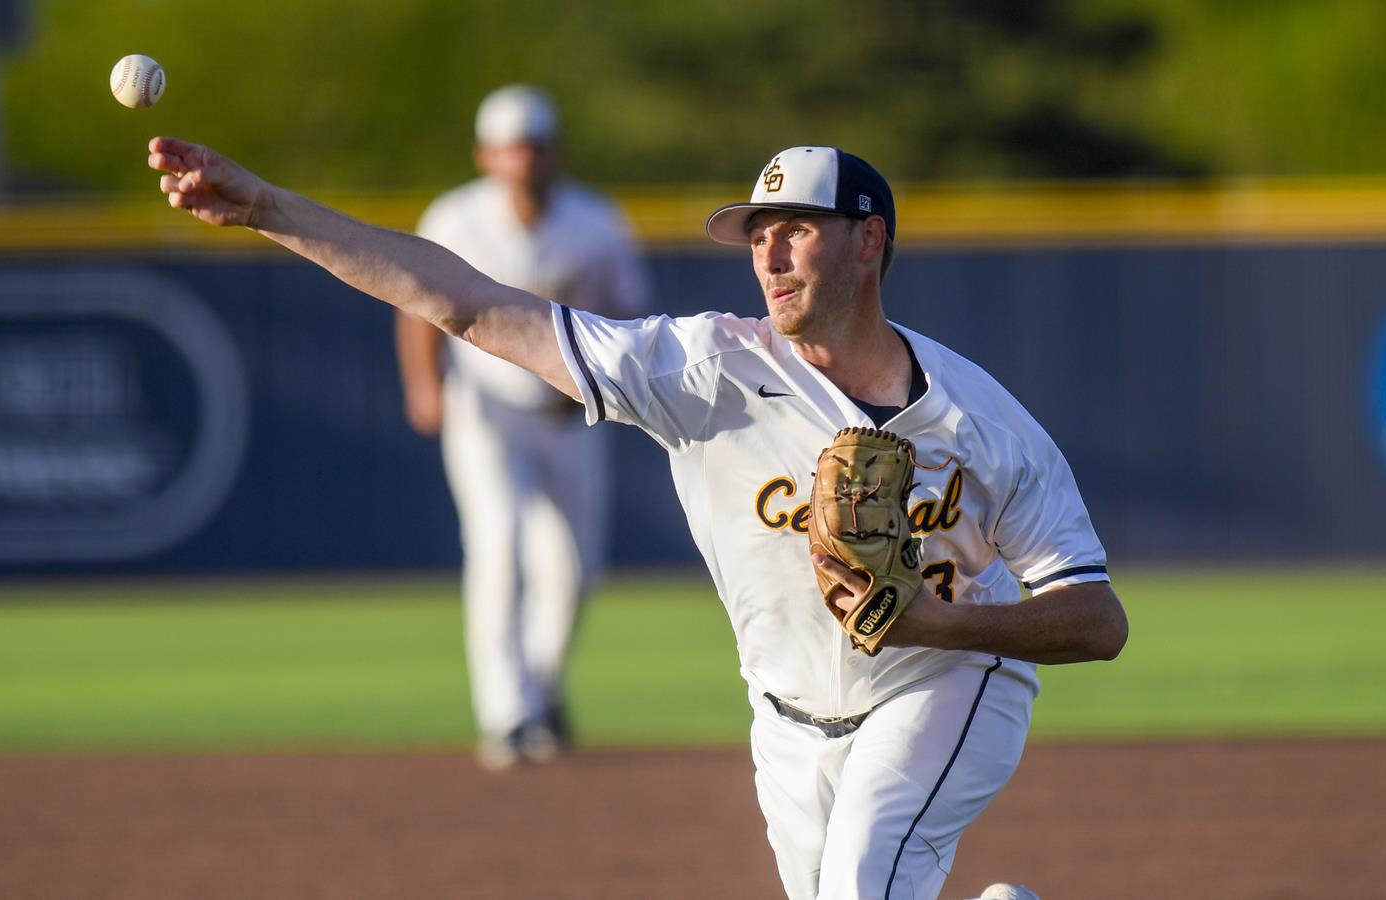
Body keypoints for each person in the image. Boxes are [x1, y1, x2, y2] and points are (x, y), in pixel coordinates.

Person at [149, 136, 1128, 900]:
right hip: (785, 716)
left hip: (946, 683)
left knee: (863, 876)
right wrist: (271, 210)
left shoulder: (982, 425)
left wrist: (936, 624)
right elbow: (468, 305)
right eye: (755, 232)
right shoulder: (701, 371)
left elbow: (1096, 622)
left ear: (868, 241)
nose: (769, 252)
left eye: (796, 227)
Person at [394, 85, 650, 769]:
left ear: (554, 151)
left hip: (572, 409)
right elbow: (415, 306)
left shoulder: (596, 222)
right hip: (485, 407)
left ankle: (538, 692)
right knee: (498, 546)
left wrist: (606, 388)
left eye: (534, 145)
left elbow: (629, 313)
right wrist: (424, 384)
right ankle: (506, 713)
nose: (523, 159)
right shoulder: (453, 216)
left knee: (573, 567)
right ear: (485, 154)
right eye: (510, 146)